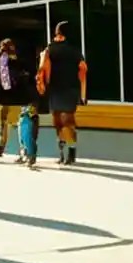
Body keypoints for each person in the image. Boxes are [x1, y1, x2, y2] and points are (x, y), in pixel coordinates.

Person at [39, 22, 88, 166]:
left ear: (57, 32)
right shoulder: (75, 51)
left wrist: (42, 86)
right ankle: (71, 152)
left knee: (57, 122)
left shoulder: (49, 49)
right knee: (68, 121)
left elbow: (42, 68)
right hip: (71, 89)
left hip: (55, 89)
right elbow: (83, 71)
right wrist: (83, 94)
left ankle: (62, 153)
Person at [0, 39, 33, 159]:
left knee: (2, 121)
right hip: (18, 96)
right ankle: (23, 149)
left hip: (2, 96)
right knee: (21, 123)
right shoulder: (19, 61)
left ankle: (0, 145)